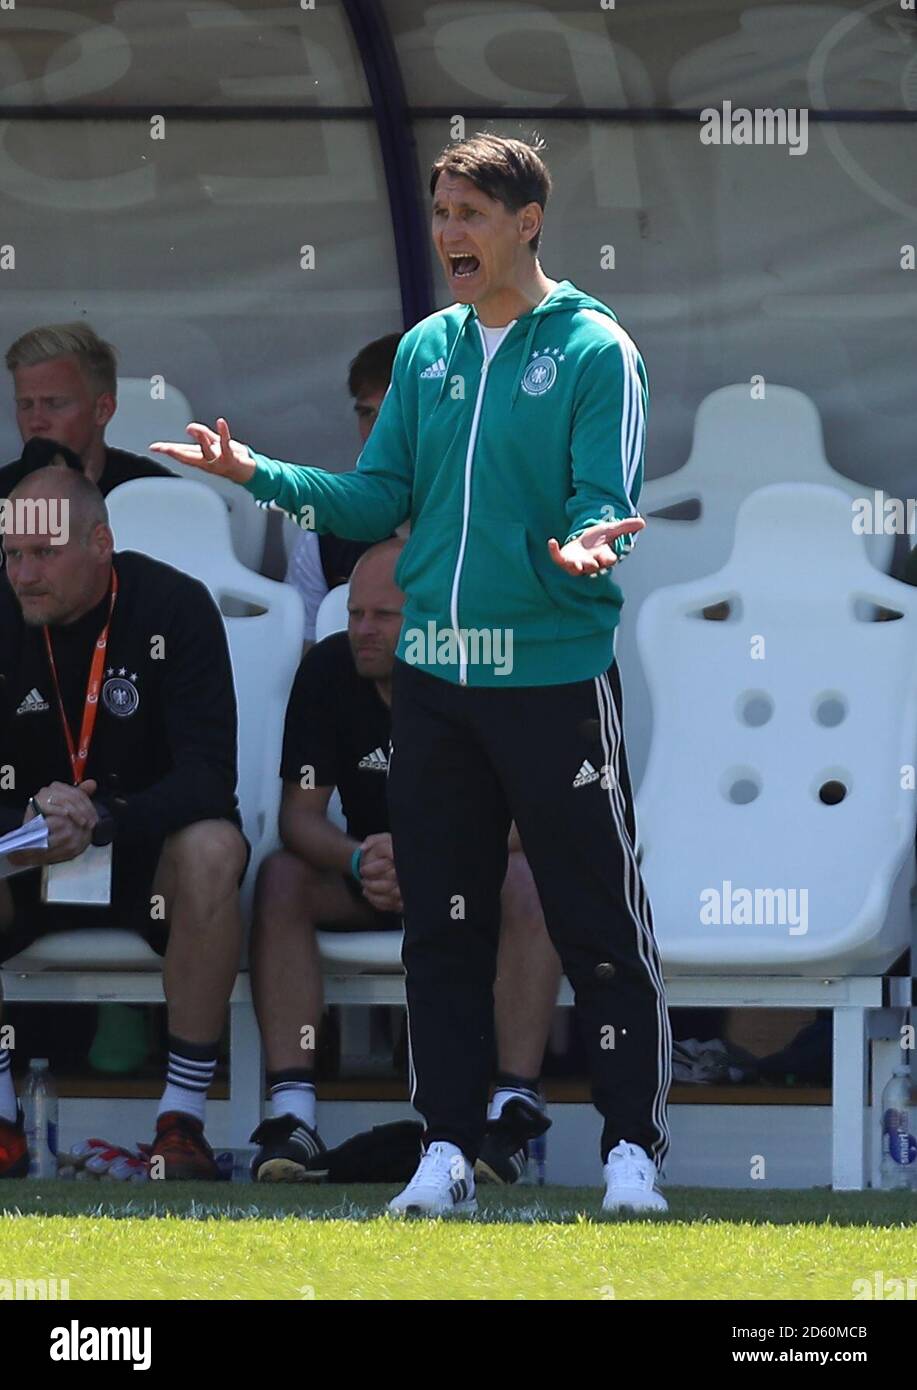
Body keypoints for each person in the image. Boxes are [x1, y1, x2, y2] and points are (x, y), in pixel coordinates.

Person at [152, 133, 671, 1215]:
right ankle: (444, 1149)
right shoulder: (428, 353)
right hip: (437, 678)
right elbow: (370, 498)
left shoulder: (592, 349)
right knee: (439, 924)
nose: (448, 236)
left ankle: (630, 1151)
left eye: (468, 215)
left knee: (595, 921)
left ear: (526, 222)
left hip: (551, 675)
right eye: (440, 214)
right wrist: (257, 474)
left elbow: (601, 494)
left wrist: (589, 545)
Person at [248, 538, 559, 1183]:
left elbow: (542, 820)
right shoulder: (329, 670)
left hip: (469, 876)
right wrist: (357, 859)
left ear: (429, 617)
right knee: (281, 876)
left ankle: (511, 1108)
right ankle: (291, 1112)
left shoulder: (487, 671)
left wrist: (436, 858)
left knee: (532, 880)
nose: (361, 630)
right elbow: (298, 817)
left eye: (382, 617)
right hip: (377, 874)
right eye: (355, 613)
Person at [0, 467, 247, 1180]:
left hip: (143, 852)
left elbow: (209, 775)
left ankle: (182, 1119)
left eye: (43, 554)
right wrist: (31, 818)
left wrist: (104, 816)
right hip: (28, 856)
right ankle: (3, 1123)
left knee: (213, 847)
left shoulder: (173, 605)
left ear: (100, 542)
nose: (23, 574)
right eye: (12, 555)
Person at [284, 334, 402, 644]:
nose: (377, 430)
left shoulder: (490, 514)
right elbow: (308, 653)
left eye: (393, 412)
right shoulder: (325, 530)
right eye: (367, 414)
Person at [0, 322, 174, 499]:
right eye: (25, 405)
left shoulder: (155, 495)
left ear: (103, 410)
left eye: (55, 403)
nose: (36, 421)